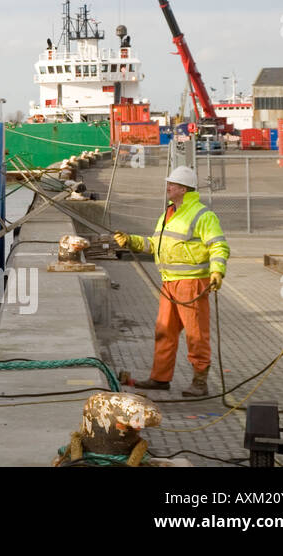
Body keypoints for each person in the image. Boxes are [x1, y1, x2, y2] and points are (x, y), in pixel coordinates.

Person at [113, 165, 228, 396]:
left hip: (192, 283)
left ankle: (199, 381)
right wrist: (131, 241)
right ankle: (160, 378)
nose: (168, 187)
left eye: (172, 184)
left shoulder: (203, 215)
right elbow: (155, 245)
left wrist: (217, 271)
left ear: (184, 188)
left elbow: (218, 245)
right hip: (169, 283)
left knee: (196, 334)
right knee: (164, 330)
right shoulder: (168, 214)